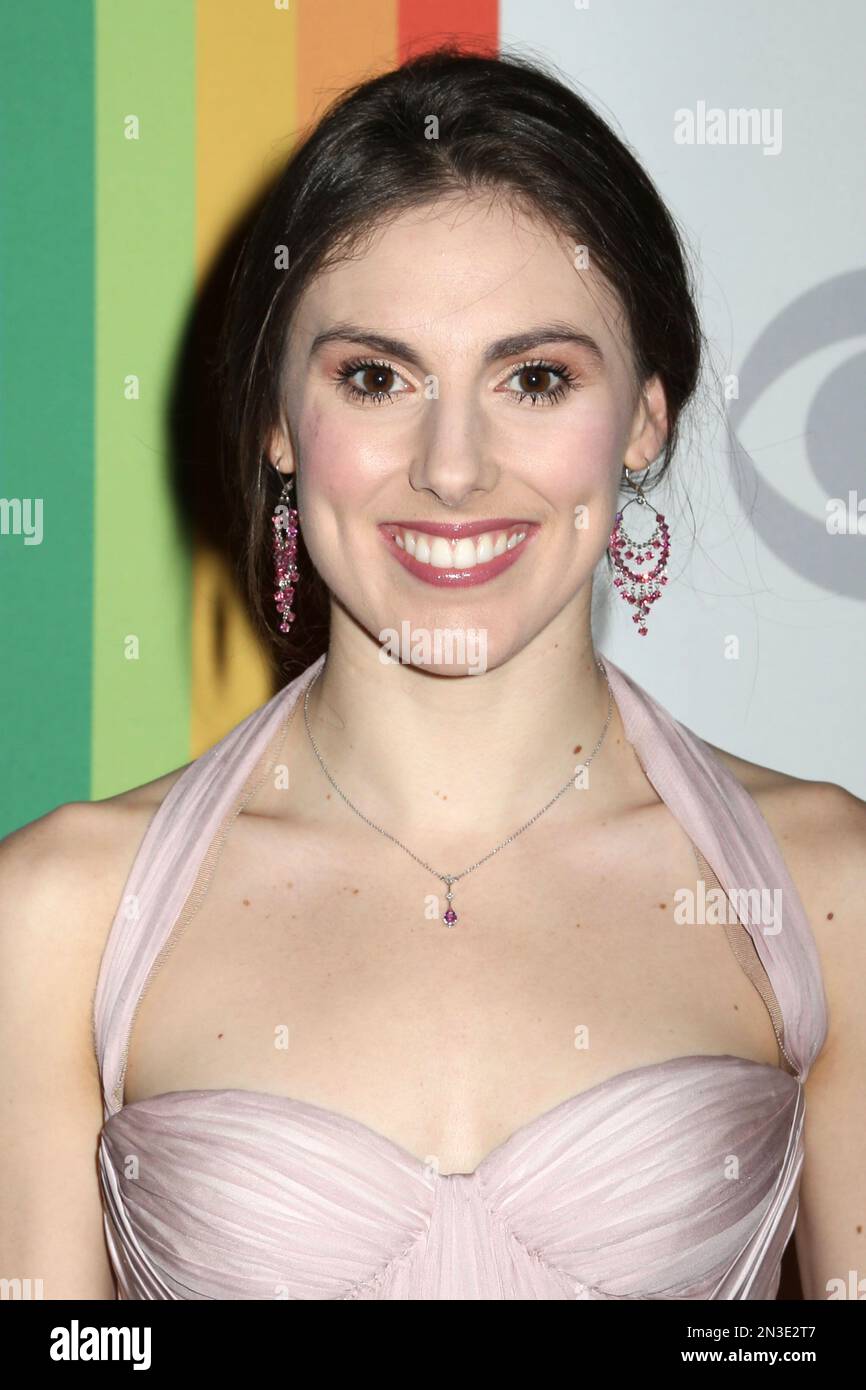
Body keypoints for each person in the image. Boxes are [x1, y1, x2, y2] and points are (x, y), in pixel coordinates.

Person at [1, 46, 863, 1302]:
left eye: (534, 379)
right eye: (373, 377)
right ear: (279, 425)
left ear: (643, 418)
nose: (451, 466)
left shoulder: (827, 890)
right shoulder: (55, 917)